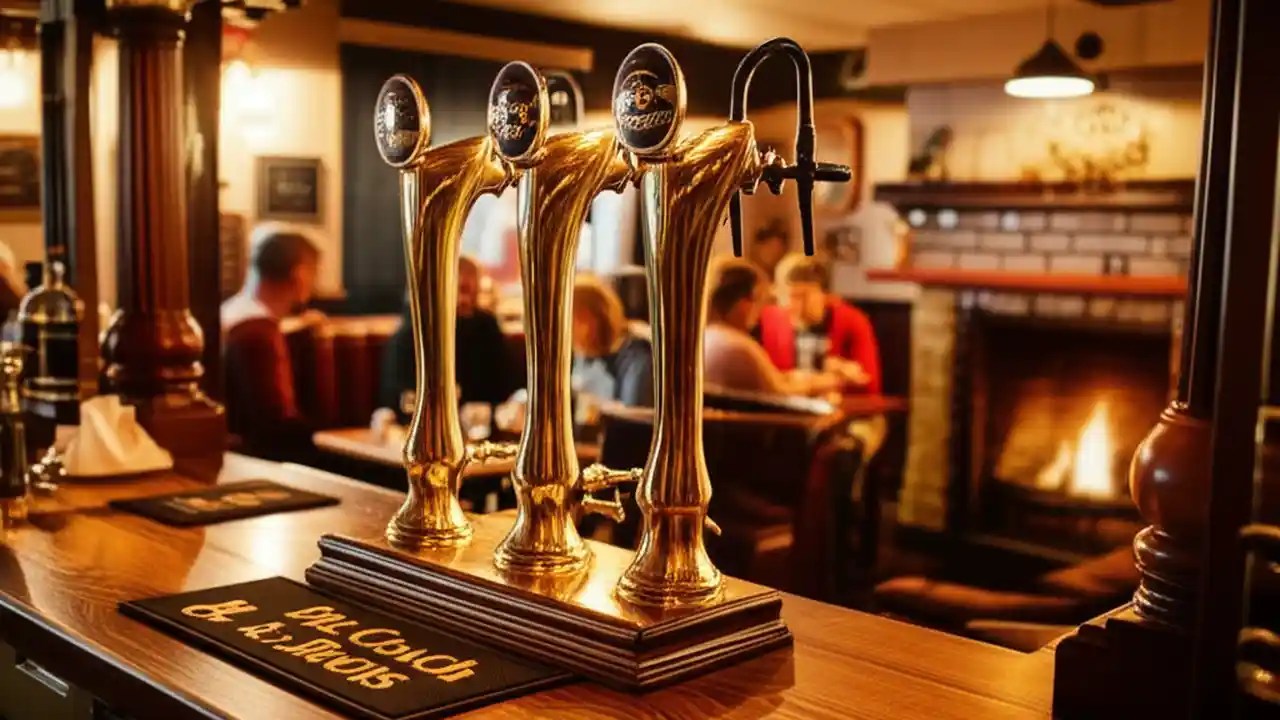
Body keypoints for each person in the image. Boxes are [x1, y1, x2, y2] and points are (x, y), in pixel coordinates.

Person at [220, 223, 321, 459]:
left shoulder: (233, 312)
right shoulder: (257, 332)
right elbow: (275, 421)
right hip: (253, 458)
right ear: (301, 274)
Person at [380, 255, 518, 417]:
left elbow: (505, 390)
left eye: (473, 292)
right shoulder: (414, 331)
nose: (466, 300)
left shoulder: (486, 325)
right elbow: (397, 400)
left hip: (479, 430)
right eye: (462, 289)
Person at [703, 258, 839, 398]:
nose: (761, 310)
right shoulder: (737, 346)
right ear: (744, 304)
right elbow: (779, 395)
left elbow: (766, 381)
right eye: (759, 299)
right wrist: (826, 383)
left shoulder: (710, 337)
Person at [759, 253, 883, 395]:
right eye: (785, 295)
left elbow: (869, 385)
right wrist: (833, 379)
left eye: (802, 296)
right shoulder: (768, 319)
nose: (790, 304)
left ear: (827, 296)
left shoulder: (852, 321)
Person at [571, 274, 653, 407]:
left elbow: (631, 420)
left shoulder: (637, 360)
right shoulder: (584, 358)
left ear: (587, 320)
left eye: (572, 322)